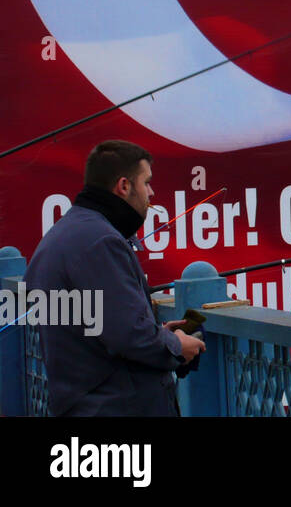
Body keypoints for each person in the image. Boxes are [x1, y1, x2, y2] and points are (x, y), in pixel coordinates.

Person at [23, 140, 205, 416]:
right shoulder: (101, 242)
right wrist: (177, 345)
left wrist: (159, 334)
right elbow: (129, 335)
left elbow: (99, 326)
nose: (151, 193)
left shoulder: (59, 237)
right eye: (147, 183)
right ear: (124, 186)